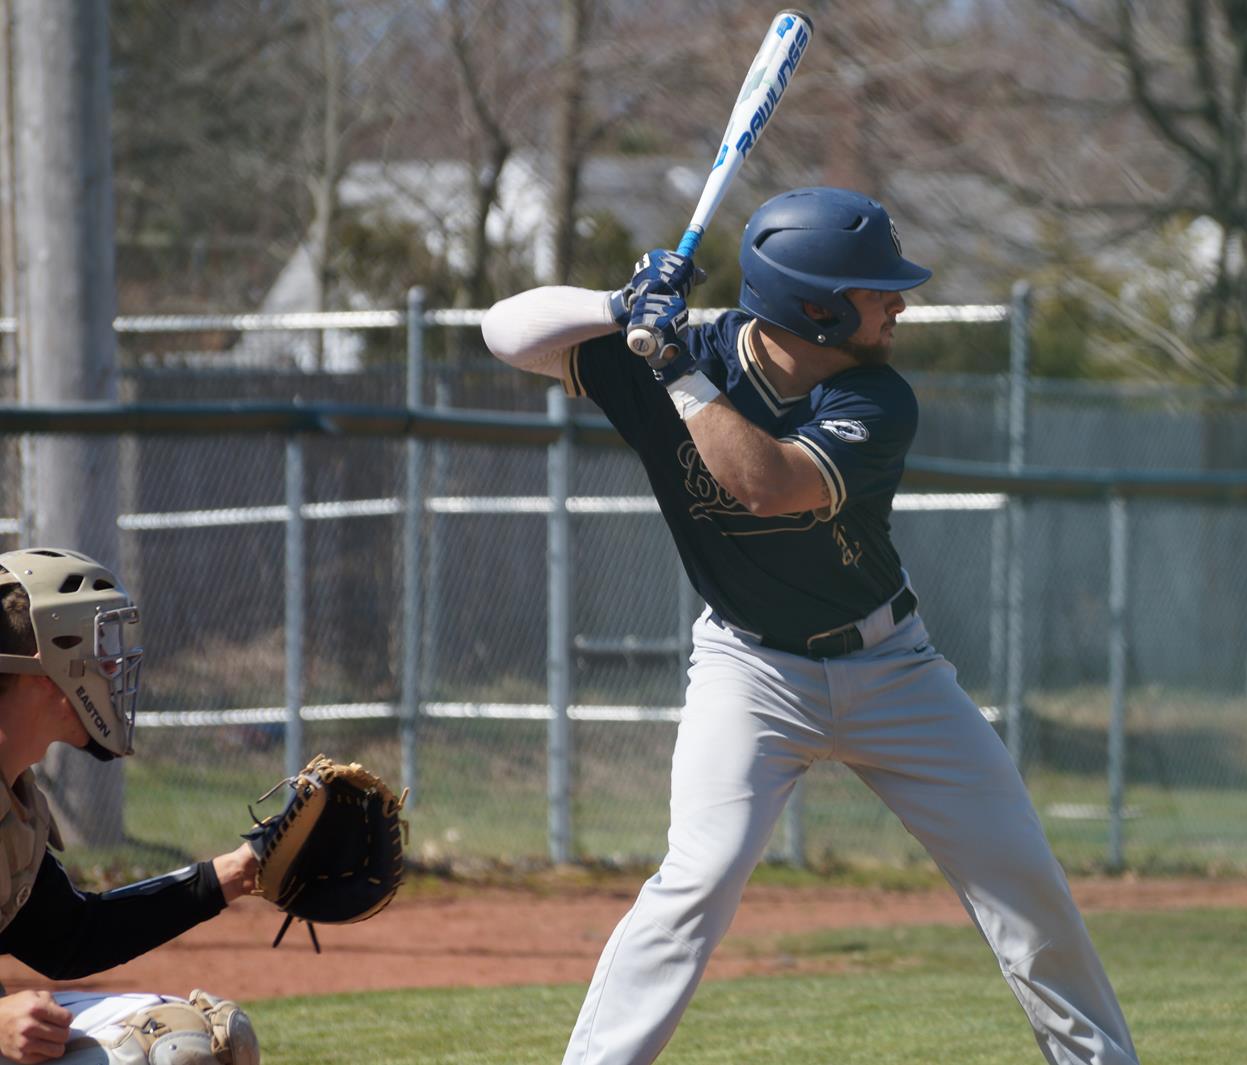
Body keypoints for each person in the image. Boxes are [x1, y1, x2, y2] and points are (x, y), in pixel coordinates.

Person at [483, 187, 1139, 1065]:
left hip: (894, 667)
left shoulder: (877, 396)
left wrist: (673, 366)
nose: (899, 302)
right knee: (696, 882)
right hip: (751, 671)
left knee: (1024, 885)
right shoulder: (689, 344)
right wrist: (618, 305)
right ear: (817, 306)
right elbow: (503, 332)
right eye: (879, 291)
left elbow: (768, 482)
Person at [0, 547, 260, 1065]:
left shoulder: (17, 800)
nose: (112, 665)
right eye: (99, 646)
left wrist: (236, 872)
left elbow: (71, 937)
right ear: (44, 668)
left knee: (189, 1041)